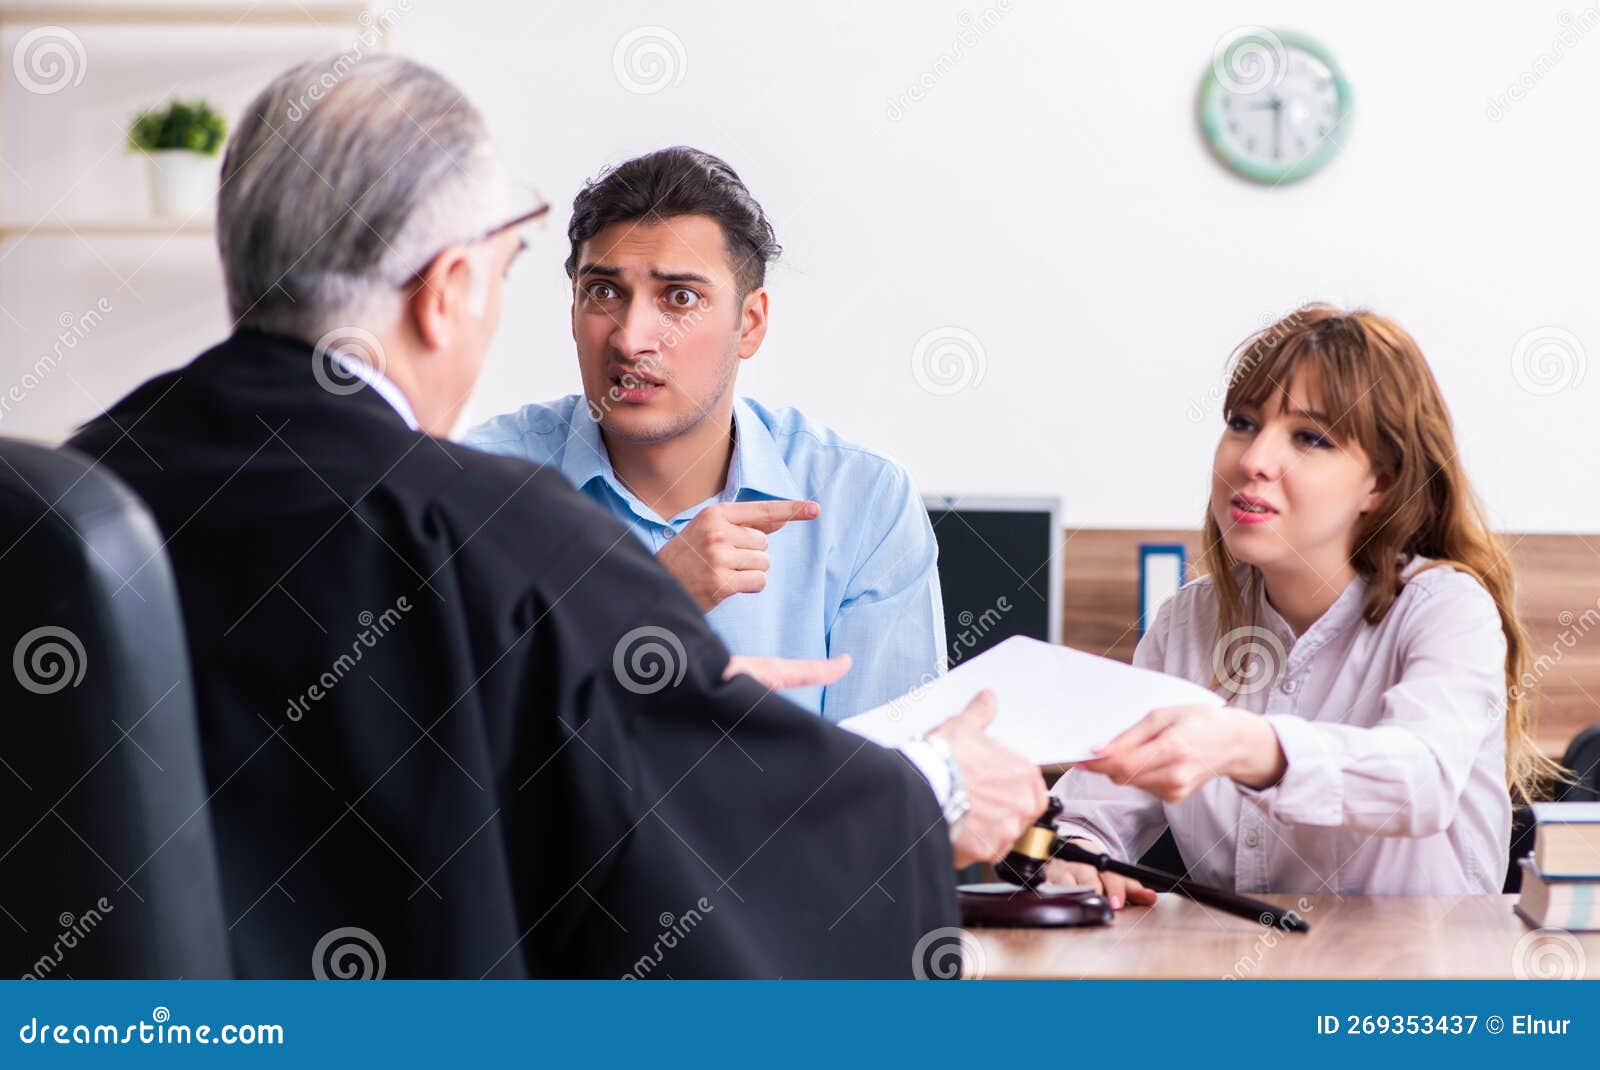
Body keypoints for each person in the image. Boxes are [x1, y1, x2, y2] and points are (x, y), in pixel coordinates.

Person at [67, 54, 1046, 978]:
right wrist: (935, 784)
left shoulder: (73, 491)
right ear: (447, 292)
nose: (630, 335)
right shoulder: (496, 530)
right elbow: (667, 870)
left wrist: (651, 689)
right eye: (522, 279)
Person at [1046, 306, 1563, 905]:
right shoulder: (1187, 622)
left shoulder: (1446, 608)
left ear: (1382, 483)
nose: (1253, 460)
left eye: (1310, 437)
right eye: (1242, 422)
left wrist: (1247, 746)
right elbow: (1090, 816)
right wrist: (1074, 862)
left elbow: (1422, 779)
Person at [465, 147, 942, 719]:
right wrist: (645, 606)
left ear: (750, 324)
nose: (630, 338)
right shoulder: (476, 487)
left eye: (680, 297)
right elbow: (451, 757)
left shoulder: (863, 502)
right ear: (573, 309)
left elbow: (887, 782)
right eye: (605, 292)